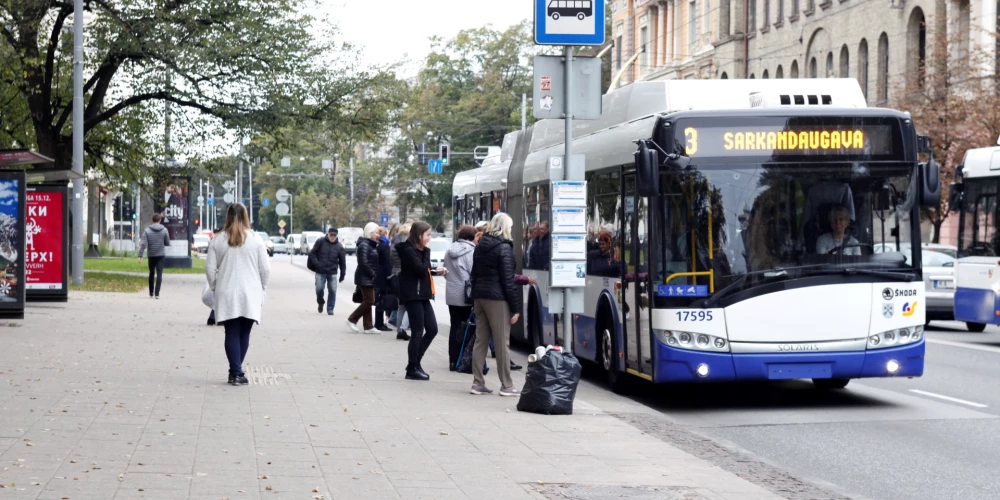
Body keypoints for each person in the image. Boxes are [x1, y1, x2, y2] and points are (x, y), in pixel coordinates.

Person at [205, 204, 270, 386]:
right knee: (245, 333)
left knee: (231, 332)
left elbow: (210, 269)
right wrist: (263, 287)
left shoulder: (217, 240)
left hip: (226, 291)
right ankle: (236, 371)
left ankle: (235, 371)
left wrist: (216, 286)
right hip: (251, 292)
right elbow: (265, 269)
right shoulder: (256, 239)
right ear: (246, 216)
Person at [469, 213, 522, 396]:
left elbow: (474, 274)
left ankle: (477, 382)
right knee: (501, 343)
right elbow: (508, 280)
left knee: (480, 340)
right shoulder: (504, 248)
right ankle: (507, 385)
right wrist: (515, 308)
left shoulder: (480, 245)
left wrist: (473, 298)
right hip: (497, 299)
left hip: (480, 297)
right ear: (506, 227)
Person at [396, 221, 448, 380]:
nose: (429, 238)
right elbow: (419, 270)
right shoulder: (408, 250)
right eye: (428, 235)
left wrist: (434, 271)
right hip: (413, 295)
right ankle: (412, 368)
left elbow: (424, 269)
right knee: (417, 332)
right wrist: (427, 251)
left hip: (423, 294)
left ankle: (415, 363)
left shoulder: (418, 250)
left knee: (432, 329)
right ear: (419, 235)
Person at [445, 225, 477, 370]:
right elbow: (473, 272)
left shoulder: (450, 249)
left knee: (455, 326)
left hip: (452, 294)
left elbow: (446, 271)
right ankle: (462, 360)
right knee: (467, 328)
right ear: (472, 237)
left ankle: (452, 359)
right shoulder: (471, 251)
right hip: (466, 295)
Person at [347, 222, 382, 334]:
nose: (378, 234)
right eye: (376, 232)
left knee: (367, 300)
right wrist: (373, 275)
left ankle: (368, 326)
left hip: (367, 277)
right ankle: (352, 319)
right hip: (364, 277)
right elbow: (363, 263)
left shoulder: (371, 244)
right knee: (369, 301)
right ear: (370, 232)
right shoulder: (364, 245)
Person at [308, 228, 347, 315]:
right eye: (331, 235)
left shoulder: (339, 246)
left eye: (334, 235)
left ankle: (330, 308)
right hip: (320, 271)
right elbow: (312, 253)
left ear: (337, 236)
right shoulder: (320, 242)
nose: (332, 237)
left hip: (332, 272)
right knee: (319, 289)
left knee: (332, 291)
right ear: (328, 234)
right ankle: (320, 302)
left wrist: (342, 273)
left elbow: (342, 261)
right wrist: (317, 263)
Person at [137, 213, 171, 299]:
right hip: (161, 254)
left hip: (151, 254)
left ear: (152, 220)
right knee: (159, 274)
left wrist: (140, 255)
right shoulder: (164, 230)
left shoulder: (147, 230)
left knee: (151, 273)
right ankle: (157, 294)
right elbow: (167, 242)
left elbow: (143, 243)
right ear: (160, 220)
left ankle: (151, 292)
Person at [389, 222, 411, 340]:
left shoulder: (394, 244)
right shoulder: (407, 245)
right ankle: (402, 328)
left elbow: (392, 260)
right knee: (409, 304)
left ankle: (399, 330)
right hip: (405, 276)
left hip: (395, 275)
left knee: (401, 305)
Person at [374, 227, 393, 331]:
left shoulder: (377, 245)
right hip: (383, 276)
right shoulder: (385, 247)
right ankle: (379, 323)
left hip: (378, 275)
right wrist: (390, 277)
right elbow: (387, 264)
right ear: (384, 234)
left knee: (379, 299)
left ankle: (379, 322)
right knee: (381, 300)